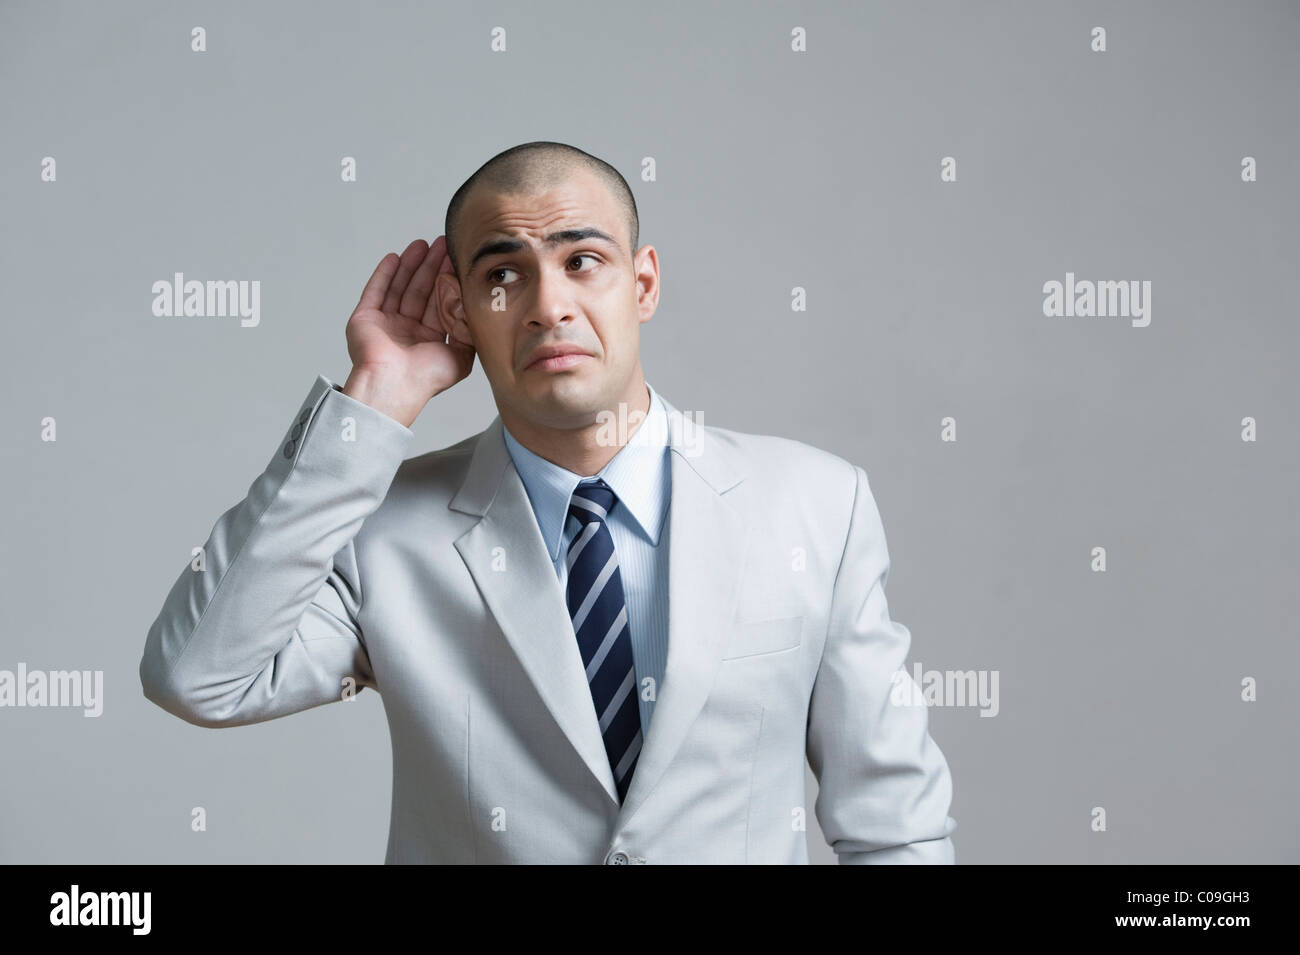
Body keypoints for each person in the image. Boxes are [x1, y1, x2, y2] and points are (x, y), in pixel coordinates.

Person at [139, 140, 958, 864]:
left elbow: (894, 825)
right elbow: (199, 677)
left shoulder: (815, 503)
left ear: (642, 283)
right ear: (462, 309)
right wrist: (374, 405)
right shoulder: (381, 533)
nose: (547, 304)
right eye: (503, 274)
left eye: (583, 261)